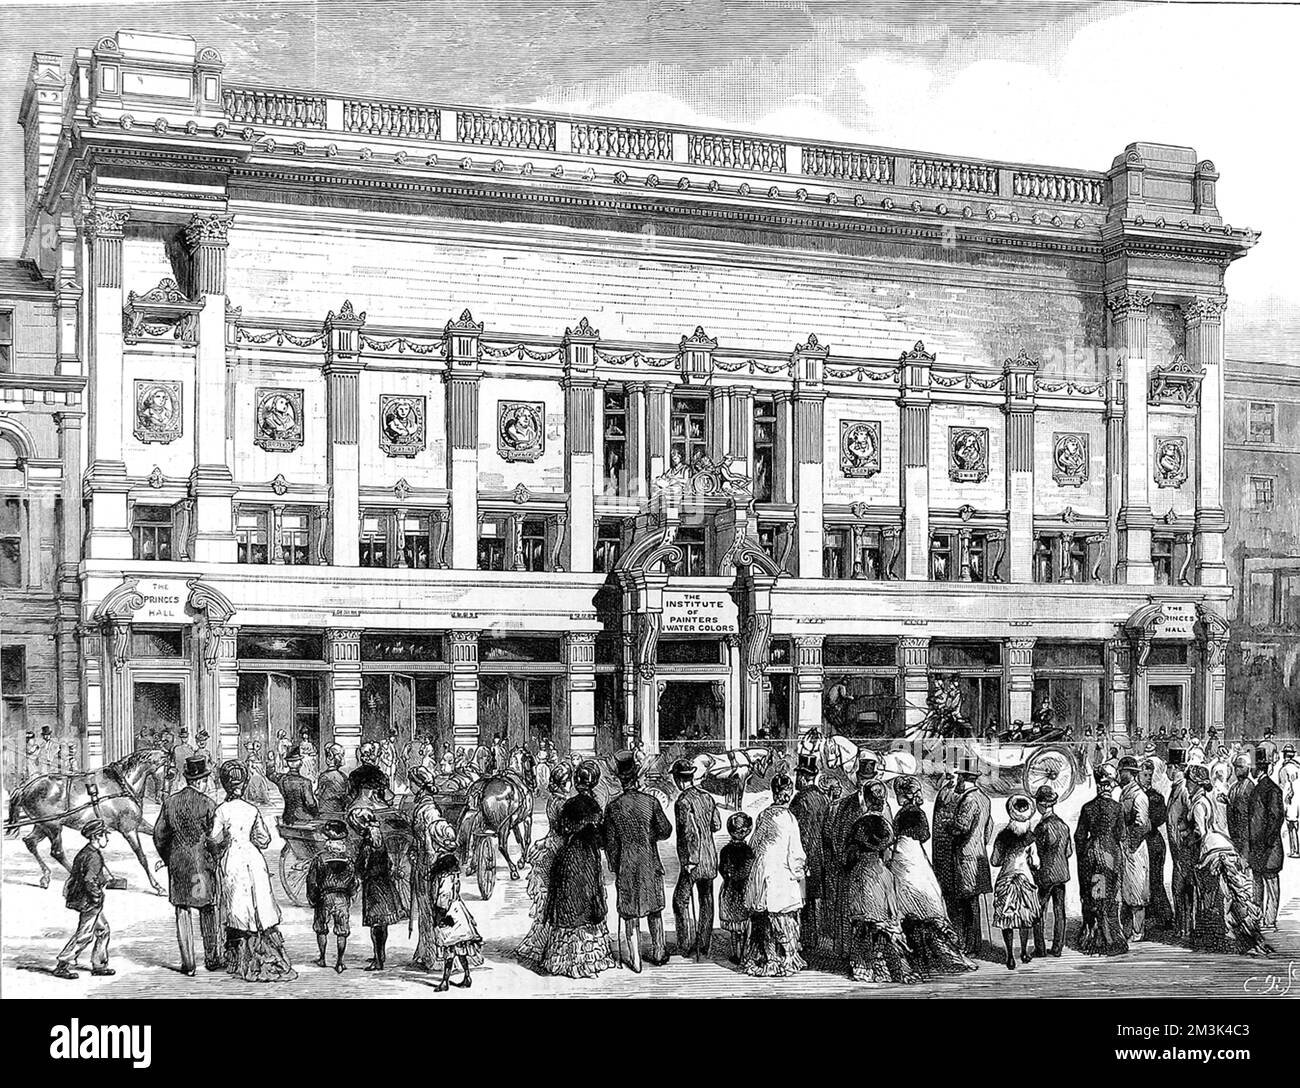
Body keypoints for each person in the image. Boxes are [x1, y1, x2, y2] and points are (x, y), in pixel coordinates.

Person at [210, 761, 296, 981]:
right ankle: (268, 954)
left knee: (238, 909)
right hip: (253, 859)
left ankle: (239, 961)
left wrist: (222, 842)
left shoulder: (221, 810)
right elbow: (265, 839)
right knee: (260, 907)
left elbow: (213, 840)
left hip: (232, 860)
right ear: (244, 783)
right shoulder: (252, 810)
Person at [889, 775, 975, 975]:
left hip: (901, 853)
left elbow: (894, 835)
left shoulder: (901, 814)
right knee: (927, 895)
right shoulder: (918, 813)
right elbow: (925, 835)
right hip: (916, 854)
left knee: (904, 897)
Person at [541, 765, 617, 979]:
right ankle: (588, 960)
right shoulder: (595, 807)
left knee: (567, 904)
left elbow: (561, 829)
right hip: (587, 859)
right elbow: (601, 840)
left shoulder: (569, 805)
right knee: (588, 902)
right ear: (593, 783)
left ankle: (563, 961)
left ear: (576, 782)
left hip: (568, 858)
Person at [1186, 763, 1270, 956]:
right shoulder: (1208, 800)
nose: (1187, 785)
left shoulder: (1198, 804)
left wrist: (1187, 838)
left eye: (1190, 782)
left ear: (1196, 783)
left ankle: (1221, 937)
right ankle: (1244, 936)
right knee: (1229, 893)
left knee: (1215, 896)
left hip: (1211, 851)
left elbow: (1201, 832)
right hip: (1223, 846)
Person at [152, 755, 223, 975]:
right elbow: (215, 838)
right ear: (201, 780)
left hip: (178, 865)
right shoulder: (208, 804)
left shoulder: (170, 802)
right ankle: (211, 959)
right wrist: (215, 858)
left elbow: (159, 836)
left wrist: (168, 858)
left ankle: (189, 964)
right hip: (200, 865)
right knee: (207, 909)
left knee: (182, 911)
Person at [602, 750, 672, 972]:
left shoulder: (613, 807)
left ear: (622, 781)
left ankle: (635, 960)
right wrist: (647, 835)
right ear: (638, 778)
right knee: (655, 909)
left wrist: (615, 866)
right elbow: (665, 830)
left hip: (627, 864)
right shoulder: (650, 802)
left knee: (629, 913)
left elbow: (610, 844)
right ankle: (659, 952)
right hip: (650, 861)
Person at [825, 752, 888, 959]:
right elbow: (835, 833)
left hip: (873, 869)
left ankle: (872, 954)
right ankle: (848, 951)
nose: (866, 784)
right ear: (858, 780)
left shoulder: (884, 807)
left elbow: (888, 837)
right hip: (849, 866)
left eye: (870, 780)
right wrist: (844, 859)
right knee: (849, 911)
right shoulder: (844, 804)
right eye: (863, 780)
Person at [743, 773, 807, 978]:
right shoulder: (789, 818)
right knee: (782, 918)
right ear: (787, 794)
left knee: (764, 918)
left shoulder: (763, 815)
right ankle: (784, 959)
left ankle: (768, 959)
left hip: (762, 872)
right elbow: (795, 853)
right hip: (779, 875)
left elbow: (753, 844)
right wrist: (800, 875)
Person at [844, 812, 917, 984]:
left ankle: (866, 968)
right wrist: (894, 919)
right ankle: (889, 970)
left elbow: (853, 902)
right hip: (882, 923)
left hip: (864, 921)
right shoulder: (885, 873)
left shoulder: (856, 872)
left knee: (864, 940)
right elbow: (892, 903)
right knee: (883, 944)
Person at [517, 761, 575, 968]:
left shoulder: (553, 800)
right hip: (558, 847)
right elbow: (564, 831)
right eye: (569, 781)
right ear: (562, 783)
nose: (571, 784)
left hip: (550, 844)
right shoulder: (562, 803)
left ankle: (545, 942)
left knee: (550, 899)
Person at [53, 820, 122, 980]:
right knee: (85, 935)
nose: (107, 839)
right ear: (97, 836)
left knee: (103, 930)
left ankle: (99, 965)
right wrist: (98, 897)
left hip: (89, 900)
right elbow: (89, 880)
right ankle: (63, 964)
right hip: (90, 901)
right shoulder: (92, 857)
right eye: (105, 835)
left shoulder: (88, 852)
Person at [1074, 765, 1127, 956]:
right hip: (1109, 855)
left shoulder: (1087, 807)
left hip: (1091, 854)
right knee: (1108, 895)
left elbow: (1079, 836)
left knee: (1095, 894)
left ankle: (1094, 935)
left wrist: (1083, 855)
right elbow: (1121, 835)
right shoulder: (1117, 807)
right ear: (1110, 787)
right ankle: (1106, 938)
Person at [671, 758, 721, 959]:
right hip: (709, 858)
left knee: (679, 901)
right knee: (706, 900)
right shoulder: (707, 798)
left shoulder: (683, 802)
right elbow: (716, 825)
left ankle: (684, 945)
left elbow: (689, 832)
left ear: (678, 779)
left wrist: (690, 860)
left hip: (694, 861)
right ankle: (704, 944)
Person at [426, 819, 484, 991]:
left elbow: (443, 898)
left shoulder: (445, 878)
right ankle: (466, 976)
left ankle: (445, 981)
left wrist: (438, 917)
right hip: (458, 912)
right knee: (461, 950)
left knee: (450, 951)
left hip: (449, 915)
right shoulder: (454, 876)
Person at [350, 807, 406, 971]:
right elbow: (388, 863)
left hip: (374, 888)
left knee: (376, 926)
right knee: (382, 925)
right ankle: (379, 955)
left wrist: (357, 876)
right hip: (385, 885)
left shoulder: (368, 845)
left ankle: (379, 960)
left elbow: (361, 867)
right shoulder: (379, 841)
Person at [991, 794, 1040, 970]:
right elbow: (1035, 863)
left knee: (1007, 919)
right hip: (1025, 879)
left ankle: (1010, 956)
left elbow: (995, 861)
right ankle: (1025, 953)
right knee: (1024, 917)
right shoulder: (1030, 838)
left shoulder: (1002, 836)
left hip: (1006, 879)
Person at [950, 759, 993, 956]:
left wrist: (949, 827)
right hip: (979, 855)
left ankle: (971, 945)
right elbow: (989, 828)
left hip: (967, 857)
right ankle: (974, 943)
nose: (957, 780)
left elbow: (962, 827)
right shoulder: (984, 798)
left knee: (968, 904)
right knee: (973, 903)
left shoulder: (968, 800)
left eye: (959, 776)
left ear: (964, 778)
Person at [789, 754, 830, 953]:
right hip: (820, 856)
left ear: (804, 777)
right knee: (814, 899)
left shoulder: (799, 800)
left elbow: (796, 831)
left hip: (805, 855)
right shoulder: (823, 798)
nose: (796, 779)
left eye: (798, 775)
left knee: (803, 900)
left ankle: (807, 939)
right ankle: (814, 938)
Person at [406, 767, 446, 971]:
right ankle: (425, 951)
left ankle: (434, 955)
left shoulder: (427, 810)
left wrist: (426, 861)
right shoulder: (424, 806)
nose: (409, 786)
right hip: (423, 861)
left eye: (411, 782)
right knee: (425, 910)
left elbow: (431, 840)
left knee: (429, 910)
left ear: (418, 786)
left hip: (428, 865)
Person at [306, 819, 358, 973]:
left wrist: (313, 897)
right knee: (342, 931)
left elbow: (312, 881)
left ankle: (322, 958)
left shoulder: (320, 858)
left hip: (324, 898)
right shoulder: (348, 860)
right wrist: (351, 895)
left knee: (321, 929)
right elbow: (353, 881)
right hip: (341, 899)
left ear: (328, 840)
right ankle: (340, 962)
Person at [1246, 744, 1285, 931]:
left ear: (1258, 768)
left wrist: (1266, 842)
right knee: (1257, 884)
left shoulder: (1272, 789)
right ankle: (1258, 919)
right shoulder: (1258, 788)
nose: (1250, 770)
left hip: (1269, 847)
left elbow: (1276, 818)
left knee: (1270, 883)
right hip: (1259, 847)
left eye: (1252, 767)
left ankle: (1269, 921)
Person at [1032, 785, 1071, 959]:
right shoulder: (1063, 825)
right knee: (1059, 911)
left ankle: (1040, 949)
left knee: (1039, 911)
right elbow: (1069, 852)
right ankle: (1057, 948)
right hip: (1061, 874)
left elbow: (1036, 854)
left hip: (1045, 875)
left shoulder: (1041, 828)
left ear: (1041, 804)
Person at [1116, 755, 1151, 943]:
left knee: (1137, 891)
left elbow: (1142, 824)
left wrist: (1130, 844)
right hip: (1126, 847)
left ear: (1129, 774)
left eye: (1122, 772)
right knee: (1126, 891)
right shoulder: (1124, 793)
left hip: (1135, 849)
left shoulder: (1139, 796)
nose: (1119, 775)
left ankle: (1138, 932)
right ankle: (1128, 931)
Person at [1164, 746, 1197, 941]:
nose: (1167, 771)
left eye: (1169, 767)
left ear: (1175, 767)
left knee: (1183, 888)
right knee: (1179, 889)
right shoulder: (1176, 788)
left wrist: (1185, 836)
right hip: (1178, 851)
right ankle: (1182, 927)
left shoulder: (1184, 789)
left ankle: (1186, 928)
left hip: (1185, 849)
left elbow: (1193, 817)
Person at [1140, 758, 1174, 932]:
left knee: (1155, 881)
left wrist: (1149, 823)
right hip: (1142, 842)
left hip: (1153, 842)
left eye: (1150, 775)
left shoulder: (1156, 796)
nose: (1147, 778)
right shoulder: (1135, 794)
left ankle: (1165, 917)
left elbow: (1161, 818)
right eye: (1145, 774)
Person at [718, 812, 756, 966]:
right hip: (743, 891)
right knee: (746, 925)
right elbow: (749, 870)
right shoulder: (748, 851)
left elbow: (722, 869)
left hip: (730, 889)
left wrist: (729, 876)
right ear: (744, 832)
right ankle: (745, 954)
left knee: (735, 929)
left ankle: (736, 954)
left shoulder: (725, 850)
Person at [931, 766, 961, 927]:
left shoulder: (961, 795)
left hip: (953, 851)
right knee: (945, 891)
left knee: (957, 895)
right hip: (941, 849)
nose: (950, 779)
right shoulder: (944, 791)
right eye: (948, 776)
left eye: (953, 777)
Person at [268, 747, 318, 826]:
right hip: (303, 818)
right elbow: (310, 803)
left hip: (287, 817)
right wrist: (316, 812)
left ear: (287, 763)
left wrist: (271, 761)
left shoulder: (281, 779)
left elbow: (270, 774)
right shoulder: (305, 782)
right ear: (301, 763)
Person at [1226, 753, 1254, 871]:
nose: (1237, 770)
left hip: (1246, 832)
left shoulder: (1250, 787)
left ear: (1248, 768)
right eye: (1236, 767)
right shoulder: (1233, 787)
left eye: (1241, 767)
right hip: (1234, 831)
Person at [316, 743, 349, 817]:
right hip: (340, 811)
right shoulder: (344, 776)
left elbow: (318, 793)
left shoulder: (324, 776)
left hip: (326, 811)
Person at [1279, 743, 1300, 859]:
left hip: (1290, 800)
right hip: (1298, 799)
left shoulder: (1284, 769)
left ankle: (1295, 850)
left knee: (1291, 825)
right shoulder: (1298, 767)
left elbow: (1283, 787)